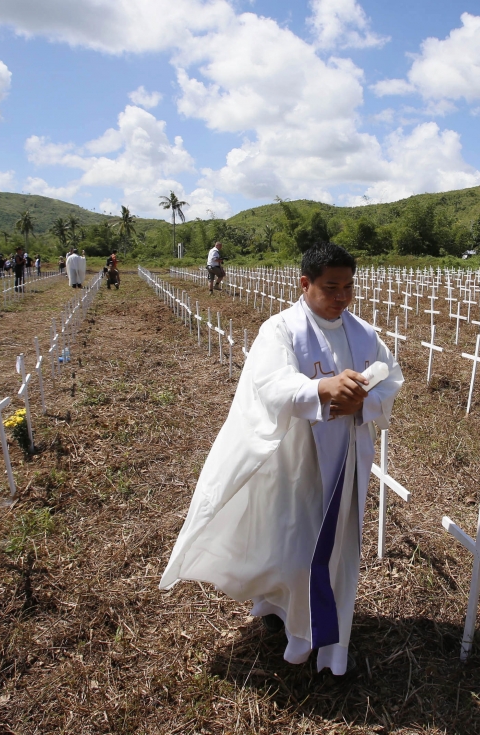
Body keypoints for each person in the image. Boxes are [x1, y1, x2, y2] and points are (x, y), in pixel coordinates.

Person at [161, 242, 404, 676]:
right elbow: (269, 384)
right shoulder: (280, 330)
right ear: (305, 284)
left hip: (345, 462)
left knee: (335, 553)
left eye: (349, 287)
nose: (342, 297)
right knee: (294, 547)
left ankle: (324, 644)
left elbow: (391, 379)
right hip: (296, 463)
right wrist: (319, 390)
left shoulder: (364, 333)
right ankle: (284, 614)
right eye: (331, 287)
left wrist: (363, 405)